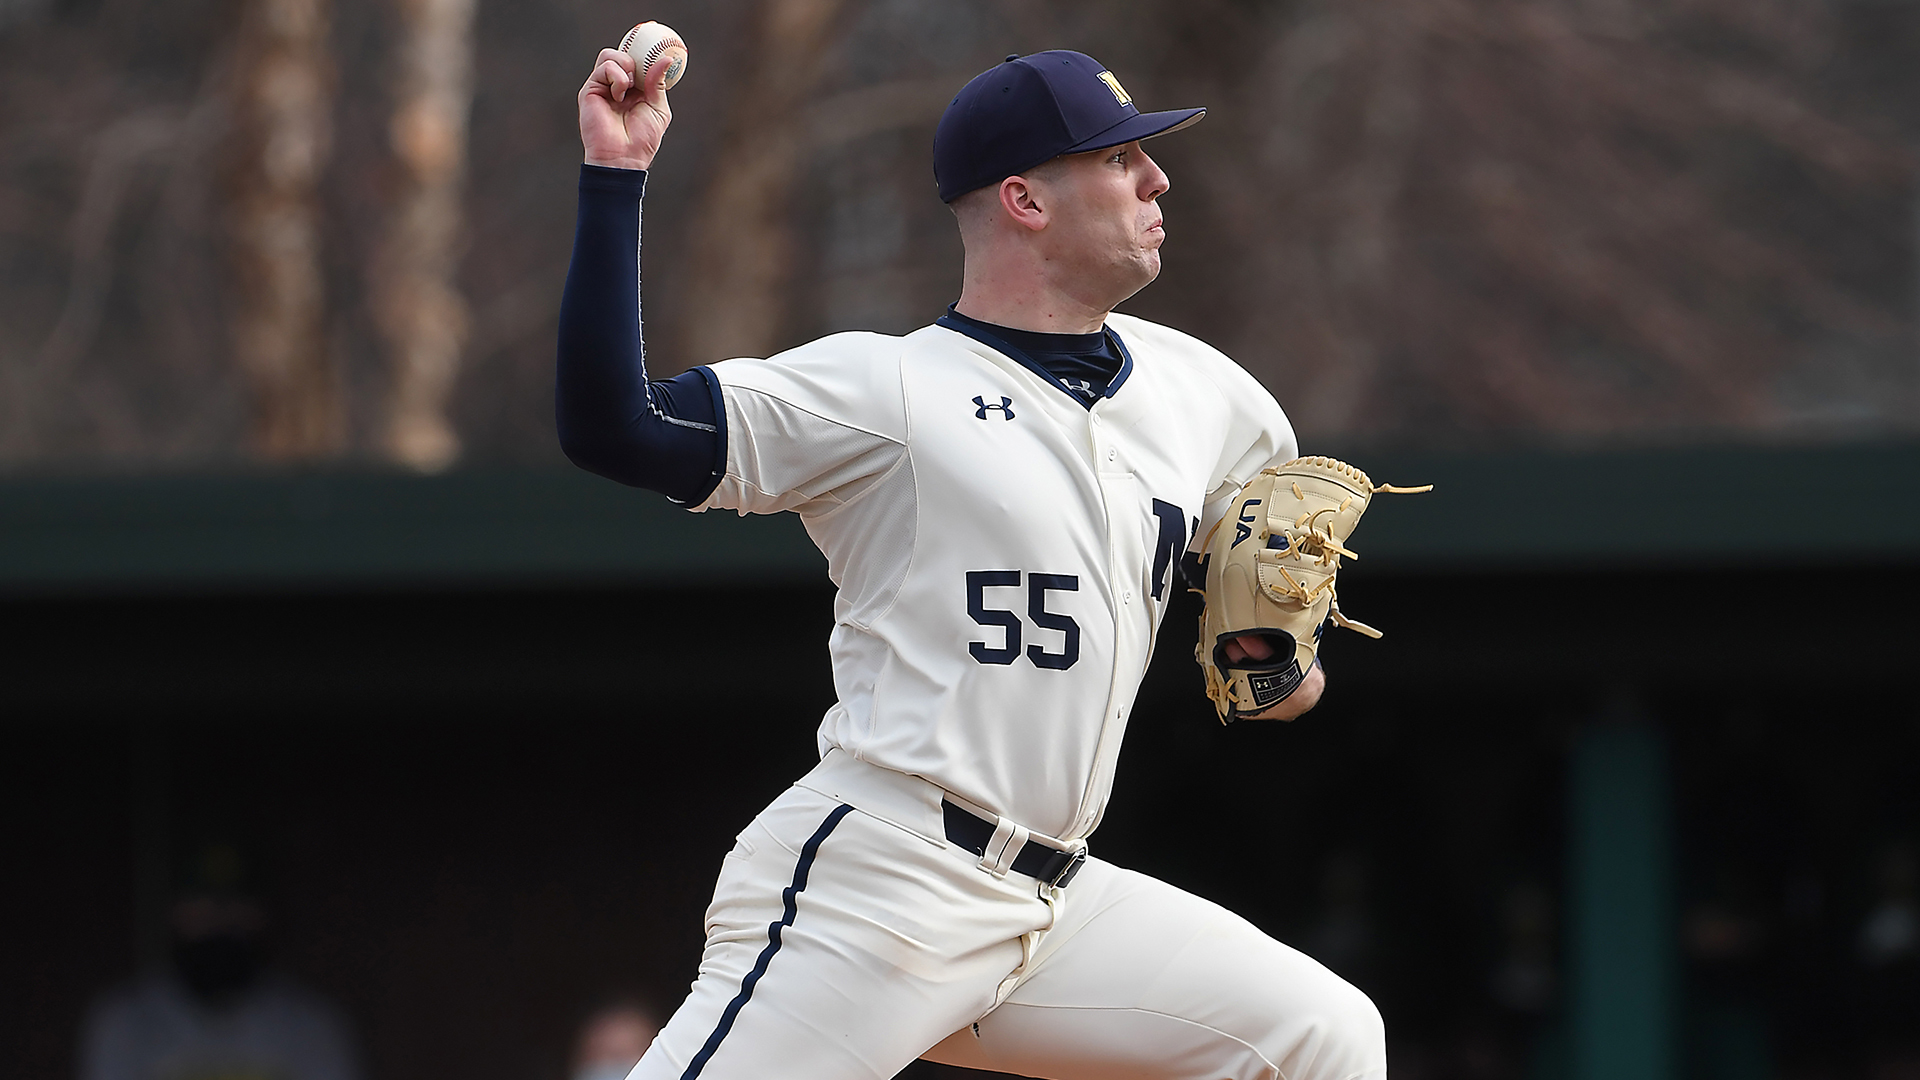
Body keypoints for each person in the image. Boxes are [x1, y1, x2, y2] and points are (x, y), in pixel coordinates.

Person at [556, 43, 1384, 1080]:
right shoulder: (890, 392)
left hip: (1054, 906)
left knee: (1324, 1034)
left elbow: (1275, 668)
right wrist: (614, 176)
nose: (1156, 178)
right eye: (1121, 157)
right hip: (884, 882)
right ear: (1025, 201)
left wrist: (1276, 659)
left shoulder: (1207, 397)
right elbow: (614, 427)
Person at [78, 844, 360, 1080]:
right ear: (174, 912)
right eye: (204, 904)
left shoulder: (310, 1025)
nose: (220, 920)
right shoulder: (124, 1021)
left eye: (234, 904)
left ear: (262, 915)